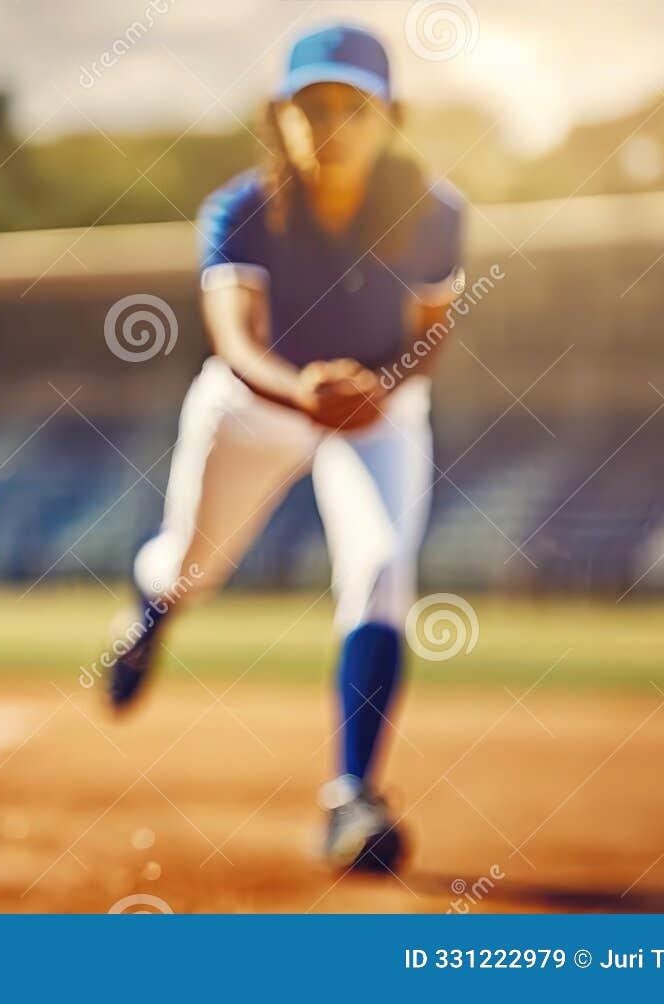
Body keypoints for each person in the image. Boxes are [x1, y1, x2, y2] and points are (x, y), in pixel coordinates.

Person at [108, 23, 465, 873]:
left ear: (392, 117)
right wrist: (302, 390)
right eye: (312, 107)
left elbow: (434, 331)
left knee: (381, 567)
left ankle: (353, 798)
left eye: (354, 106)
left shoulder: (435, 213)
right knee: (194, 568)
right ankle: (153, 610)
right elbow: (236, 339)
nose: (333, 125)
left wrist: (380, 385)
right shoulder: (241, 208)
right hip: (254, 406)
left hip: (377, 407)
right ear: (280, 117)